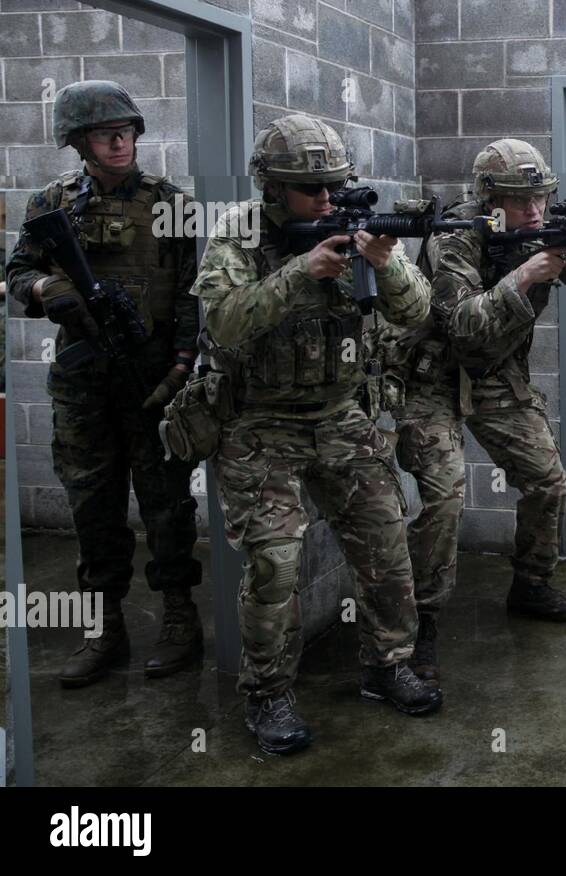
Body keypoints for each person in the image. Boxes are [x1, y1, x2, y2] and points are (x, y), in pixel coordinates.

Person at [192, 113, 438, 755]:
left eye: (336, 186)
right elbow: (223, 322)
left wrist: (383, 265)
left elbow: (416, 316)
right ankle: (269, 692)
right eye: (313, 191)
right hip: (260, 423)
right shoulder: (239, 235)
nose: (328, 201)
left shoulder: (359, 228)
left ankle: (389, 665)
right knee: (275, 564)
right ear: (274, 190)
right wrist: (303, 271)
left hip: (340, 416)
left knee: (387, 542)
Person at [382, 139, 566, 688]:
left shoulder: (540, 228)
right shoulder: (457, 236)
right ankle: (424, 623)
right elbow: (461, 323)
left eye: (540, 198)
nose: (534, 211)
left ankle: (531, 584)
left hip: (494, 378)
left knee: (548, 481)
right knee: (444, 496)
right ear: (490, 198)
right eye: (520, 201)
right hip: (432, 378)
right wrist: (527, 274)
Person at [7, 80, 202, 687]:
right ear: (78, 142)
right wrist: (45, 290)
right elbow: (16, 271)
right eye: (103, 134)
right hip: (84, 380)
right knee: (93, 506)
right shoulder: (51, 204)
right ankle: (103, 626)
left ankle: (178, 617)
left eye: (126, 131)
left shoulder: (172, 203)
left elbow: (197, 291)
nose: (119, 143)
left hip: (151, 375)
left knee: (167, 503)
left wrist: (180, 366)